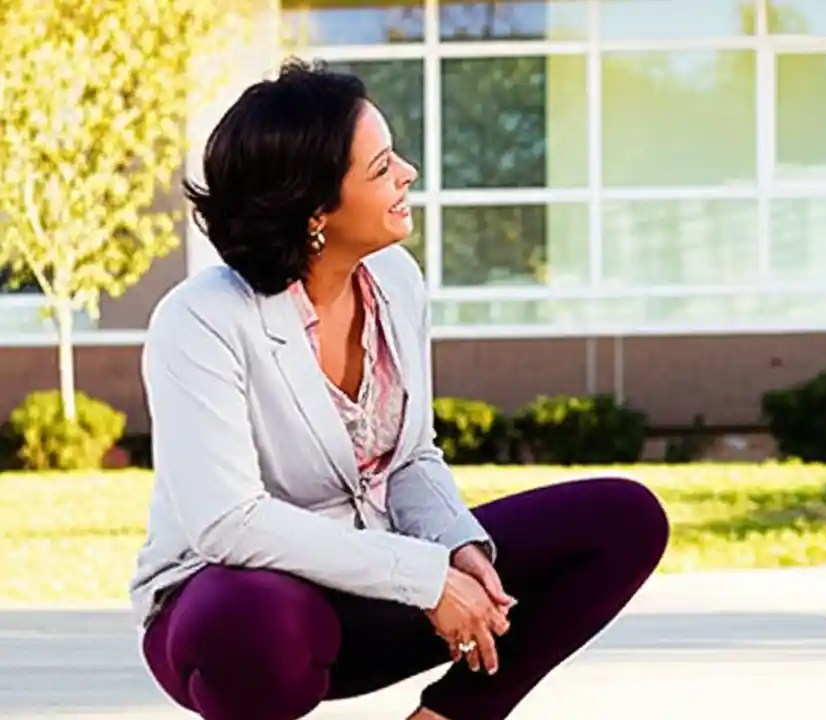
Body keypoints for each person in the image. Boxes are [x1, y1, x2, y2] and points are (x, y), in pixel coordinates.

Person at [128, 59, 669, 720]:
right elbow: (229, 523)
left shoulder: (394, 280)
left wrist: (459, 549)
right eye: (381, 167)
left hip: (373, 597)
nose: (407, 172)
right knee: (251, 620)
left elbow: (409, 458)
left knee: (621, 518)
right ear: (314, 210)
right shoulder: (201, 318)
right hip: (240, 616)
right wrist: (423, 577)